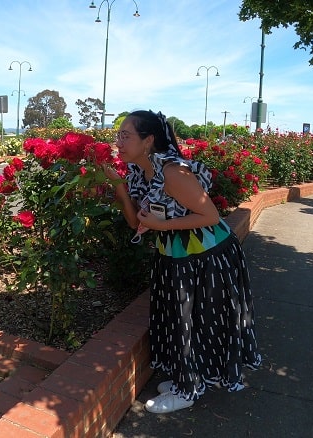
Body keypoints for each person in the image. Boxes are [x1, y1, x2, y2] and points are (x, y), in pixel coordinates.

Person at [104, 109, 262, 414]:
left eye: (126, 135)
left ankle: (188, 388)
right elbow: (135, 219)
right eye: (118, 135)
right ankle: (191, 377)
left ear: (148, 140)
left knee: (191, 321)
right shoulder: (140, 171)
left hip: (208, 256)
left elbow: (210, 215)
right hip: (176, 254)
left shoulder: (173, 172)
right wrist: (119, 187)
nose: (119, 142)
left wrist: (162, 226)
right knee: (182, 319)